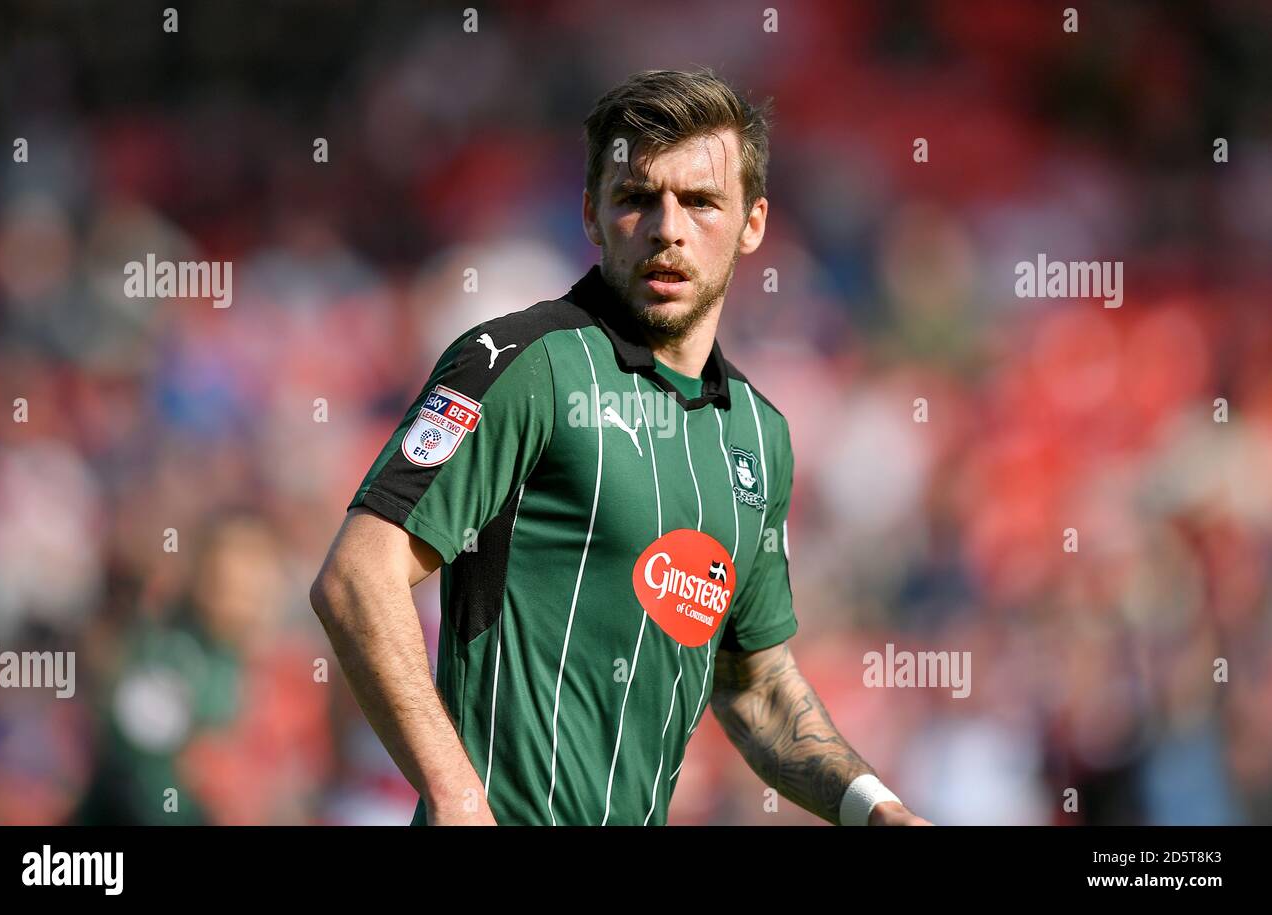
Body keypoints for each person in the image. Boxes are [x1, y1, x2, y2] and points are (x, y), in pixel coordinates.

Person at [310, 68, 930, 826]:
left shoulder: (759, 435)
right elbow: (357, 574)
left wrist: (874, 807)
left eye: (701, 201)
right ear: (593, 216)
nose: (668, 228)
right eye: (638, 197)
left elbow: (757, 687)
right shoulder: (520, 363)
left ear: (753, 223)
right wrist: (457, 792)